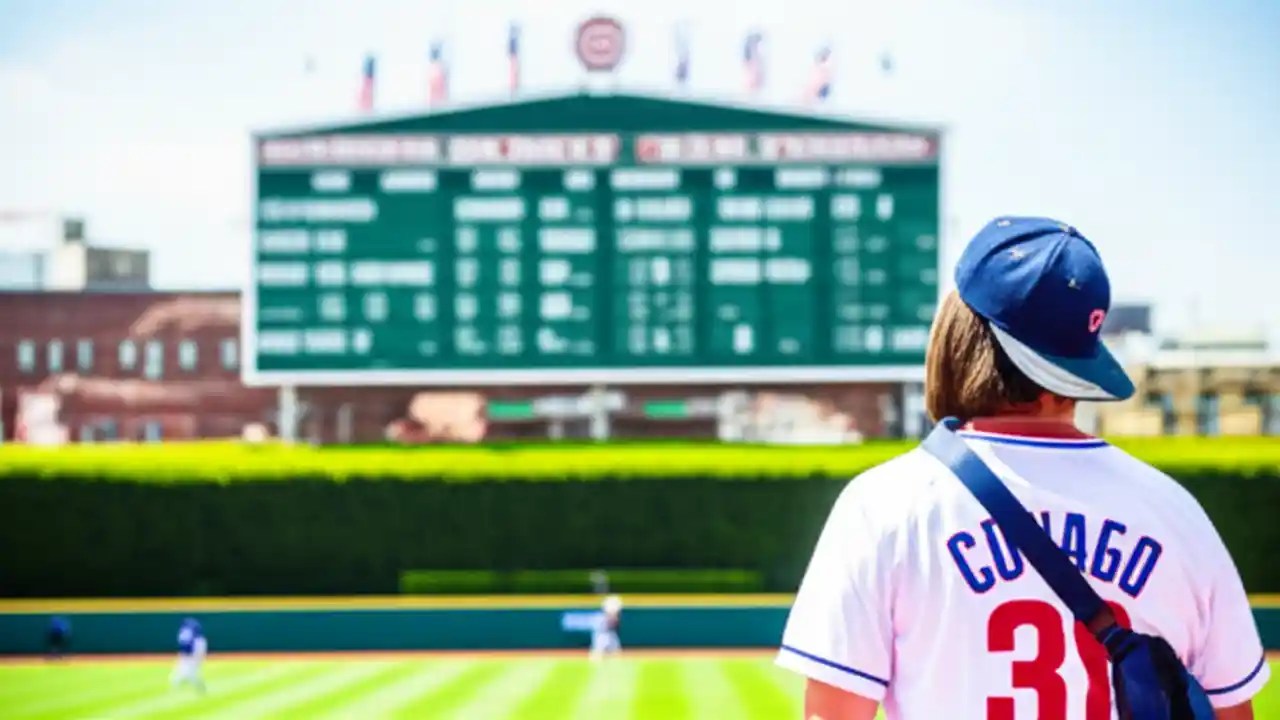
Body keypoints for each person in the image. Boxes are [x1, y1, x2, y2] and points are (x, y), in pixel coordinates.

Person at [777, 217, 1269, 719]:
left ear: (962, 333)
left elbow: (832, 714)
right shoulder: (1176, 513)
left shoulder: (883, 506)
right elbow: (1233, 711)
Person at [171, 617, 207, 693]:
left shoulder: (190, 635)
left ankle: (176, 688)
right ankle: (200, 688)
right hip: (190, 654)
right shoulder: (189, 634)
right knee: (188, 673)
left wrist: (191, 656)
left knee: (187, 673)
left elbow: (191, 647)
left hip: (192, 654)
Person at [590, 594, 623, 661]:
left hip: (611, 635)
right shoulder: (601, 617)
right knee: (597, 658)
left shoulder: (612, 615)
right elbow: (612, 622)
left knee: (616, 657)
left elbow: (615, 624)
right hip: (601, 636)